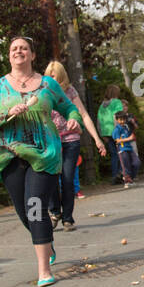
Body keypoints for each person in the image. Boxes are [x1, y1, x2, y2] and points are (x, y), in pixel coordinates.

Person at [0, 36, 80, 287]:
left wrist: (74, 118)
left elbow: (69, 107)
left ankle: (44, 271)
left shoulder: (48, 85)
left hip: (44, 153)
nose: (18, 51)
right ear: (9, 55)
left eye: (23, 48)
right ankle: (47, 241)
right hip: (10, 155)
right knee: (25, 213)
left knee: (35, 206)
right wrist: (6, 113)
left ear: (33, 55)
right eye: (14, 48)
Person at [42, 62, 106, 232]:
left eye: (54, 75)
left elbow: (84, 115)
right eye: (48, 74)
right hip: (51, 141)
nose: (50, 78)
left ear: (61, 76)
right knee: (51, 179)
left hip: (70, 139)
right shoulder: (43, 92)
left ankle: (68, 218)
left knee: (68, 178)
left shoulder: (70, 92)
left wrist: (97, 139)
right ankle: (55, 212)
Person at [96, 85, 127, 184]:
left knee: (114, 155)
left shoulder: (102, 105)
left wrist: (101, 134)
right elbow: (116, 117)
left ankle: (115, 176)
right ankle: (123, 175)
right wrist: (119, 131)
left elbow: (99, 120)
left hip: (106, 133)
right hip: (115, 131)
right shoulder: (117, 103)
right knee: (122, 153)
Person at [112, 110, 139, 186]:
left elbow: (131, 135)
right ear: (117, 120)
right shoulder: (117, 129)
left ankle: (130, 178)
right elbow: (117, 141)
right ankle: (127, 181)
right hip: (122, 150)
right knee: (126, 166)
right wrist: (129, 139)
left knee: (136, 163)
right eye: (120, 119)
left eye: (124, 119)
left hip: (129, 148)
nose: (122, 121)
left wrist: (132, 137)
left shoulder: (126, 127)